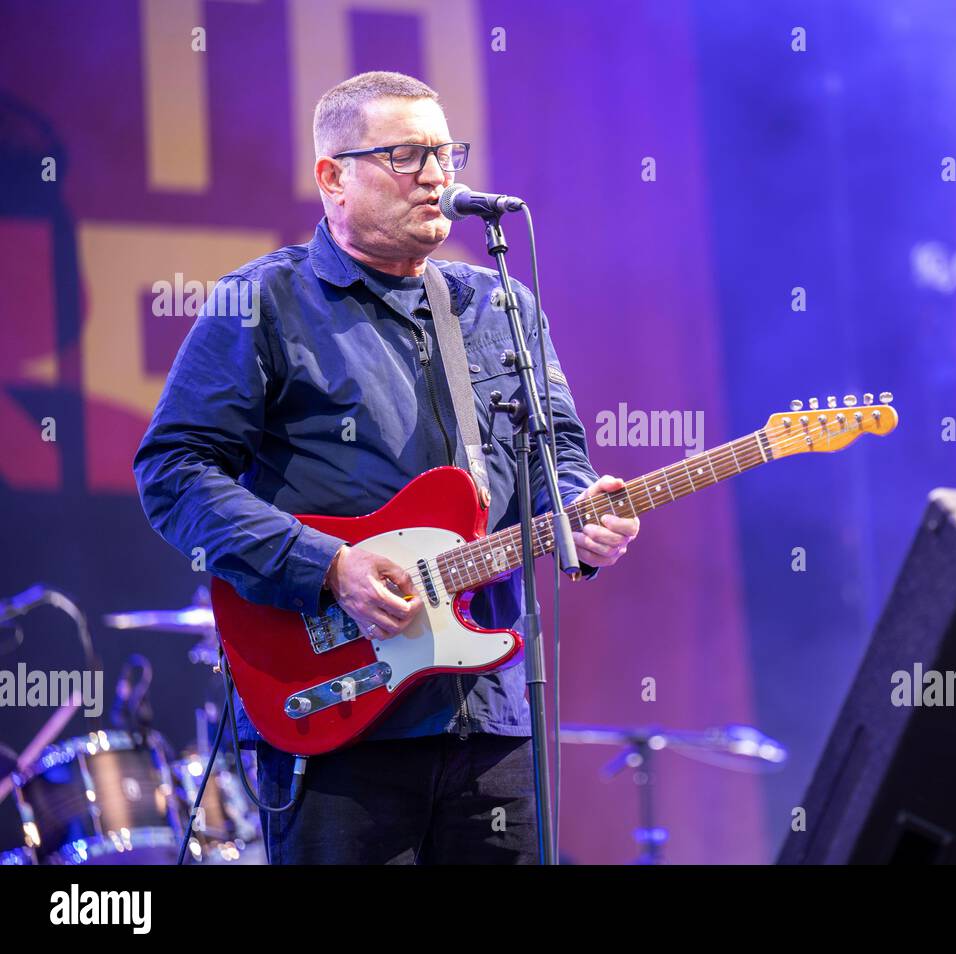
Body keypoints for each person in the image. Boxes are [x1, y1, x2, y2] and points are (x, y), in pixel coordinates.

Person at [133, 71, 638, 864]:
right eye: (407, 154)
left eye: (445, 152)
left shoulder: (498, 305)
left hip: (491, 715)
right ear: (333, 177)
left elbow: (558, 455)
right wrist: (329, 565)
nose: (438, 175)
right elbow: (171, 472)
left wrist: (584, 509)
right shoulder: (264, 302)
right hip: (336, 720)